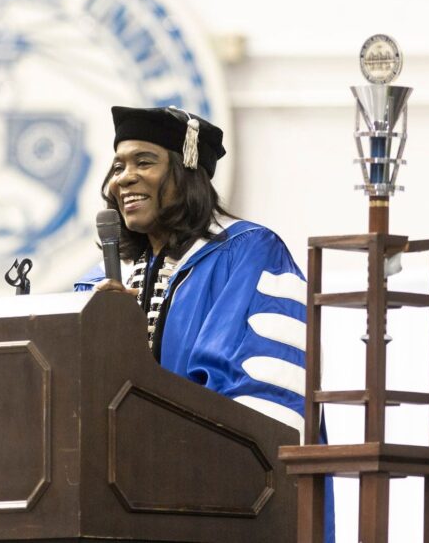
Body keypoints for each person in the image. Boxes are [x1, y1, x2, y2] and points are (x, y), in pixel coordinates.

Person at [74, 105, 334, 542]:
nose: (124, 178)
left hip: (214, 514)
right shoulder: (98, 287)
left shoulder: (249, 255)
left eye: (144, 162)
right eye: (118, 165)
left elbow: (262, 406)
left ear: (187, 170)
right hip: (120, 511)